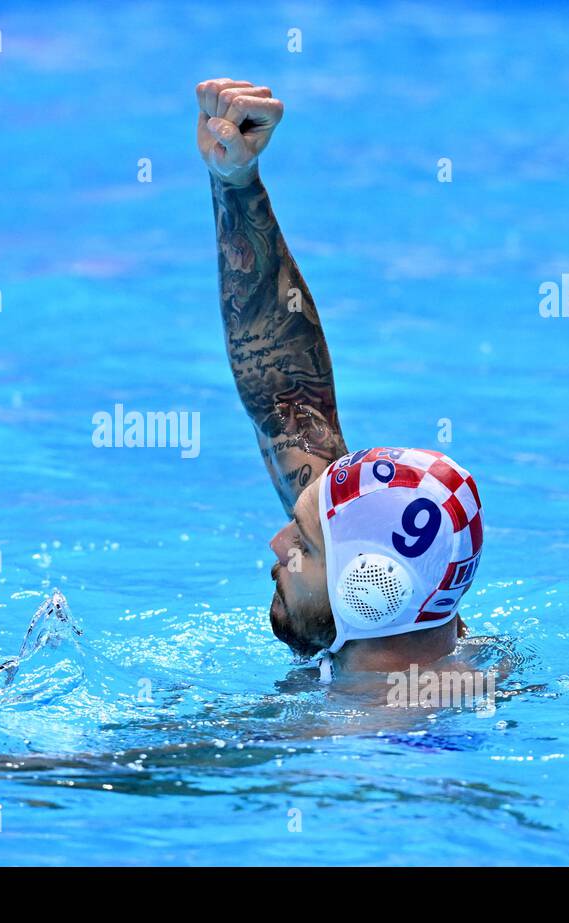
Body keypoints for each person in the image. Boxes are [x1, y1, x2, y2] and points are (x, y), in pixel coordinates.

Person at [197, 78, 485, 680]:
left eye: (304, 545)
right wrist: (235, 183)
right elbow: (286, 401)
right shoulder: (420, 612)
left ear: (367, 591)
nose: (277, 545)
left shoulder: (343, 744)